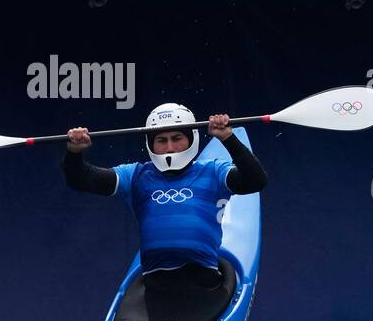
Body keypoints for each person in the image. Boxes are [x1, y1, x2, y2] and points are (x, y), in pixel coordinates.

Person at [63, 103, 267, 295]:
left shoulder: (213, 170)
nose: (169, 147)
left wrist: (227, 138)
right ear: (150, 143)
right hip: (155, 287)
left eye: (177, 138)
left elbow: (256, 180)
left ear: (191, 138)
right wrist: (74, 152)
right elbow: (81, 180)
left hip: (205, 284)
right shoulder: (135, 175)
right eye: (161, 140)